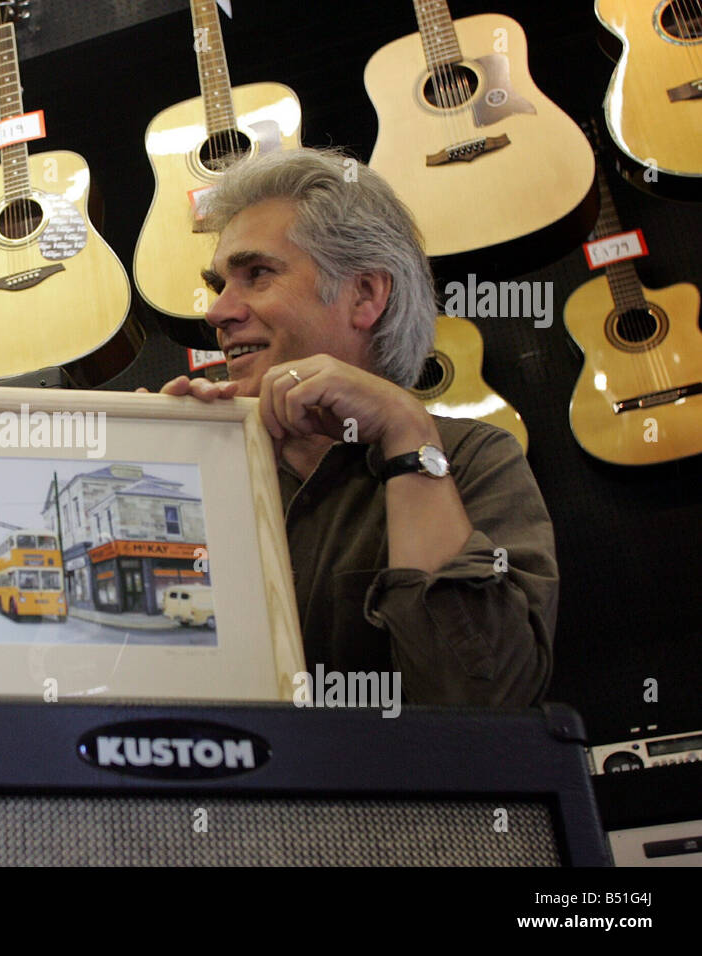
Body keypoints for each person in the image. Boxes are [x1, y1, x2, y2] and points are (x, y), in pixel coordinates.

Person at [158, 148, 556, 707]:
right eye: (219, 283)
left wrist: (407, 436)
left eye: (257, 275)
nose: (218, 312)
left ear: (365, 294)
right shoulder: (202, 468)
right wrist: (147, 468)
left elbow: (478, 702)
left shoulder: (471, 459)